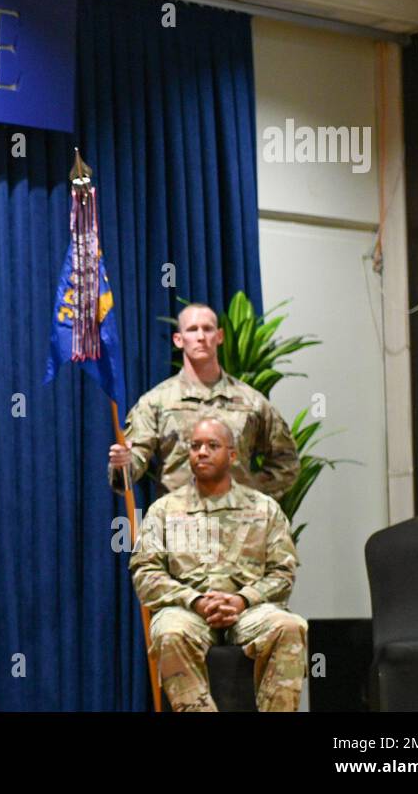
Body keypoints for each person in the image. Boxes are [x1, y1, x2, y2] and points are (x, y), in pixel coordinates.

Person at [130, 417, 308, 712]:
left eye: (212, 445)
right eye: (195, 446)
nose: (201, 452)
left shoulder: (264, 508)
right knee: (169, 632)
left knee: (289, 626)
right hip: (188, 610)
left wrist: (242, 599)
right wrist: (195, 600)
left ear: (233, 455)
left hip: (249, 610)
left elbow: (283, 572)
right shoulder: (164, 510)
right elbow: (146, 574)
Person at [108, 302, 299, 499]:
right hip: (180, 523)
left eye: (208, 329)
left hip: (236, 525)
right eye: (192, 330)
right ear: (178, 340)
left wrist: (250, 495)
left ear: (219, 336)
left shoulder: (251, 402)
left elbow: (286, 460)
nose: (201, 337)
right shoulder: (156, 402)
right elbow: (131, 466)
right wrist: (124, 463)